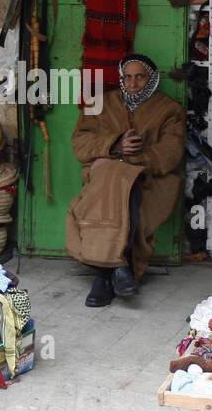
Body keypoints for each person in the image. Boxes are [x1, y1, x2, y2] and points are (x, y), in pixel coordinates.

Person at [65, 53, 185, 307]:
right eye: (127, 77)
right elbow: (80, 143)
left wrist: (134, 157)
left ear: (151, 79)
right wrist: (115, 144)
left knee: (121, 181)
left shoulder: (170, 110)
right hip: (104, 177)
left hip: (149, 180)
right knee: (113, 179)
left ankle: (103, 278)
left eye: (140, 77)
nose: (132, 84)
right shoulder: (100, 103)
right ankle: (118, 267)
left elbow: (171, 153)